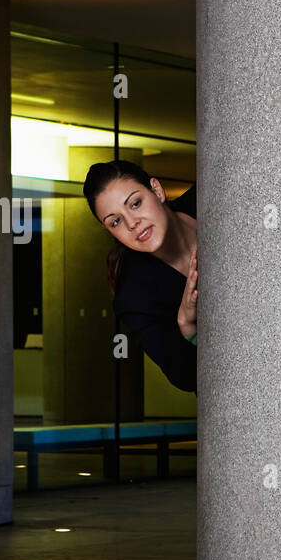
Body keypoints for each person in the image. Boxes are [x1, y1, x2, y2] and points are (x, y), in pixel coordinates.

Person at [84, 160, 199, 393]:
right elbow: (186, 378)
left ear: (157, 190)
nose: (132, 223)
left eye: (135, 203)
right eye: (115, 221)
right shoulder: (135, 297)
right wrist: (186, 325)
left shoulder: (209, 196)